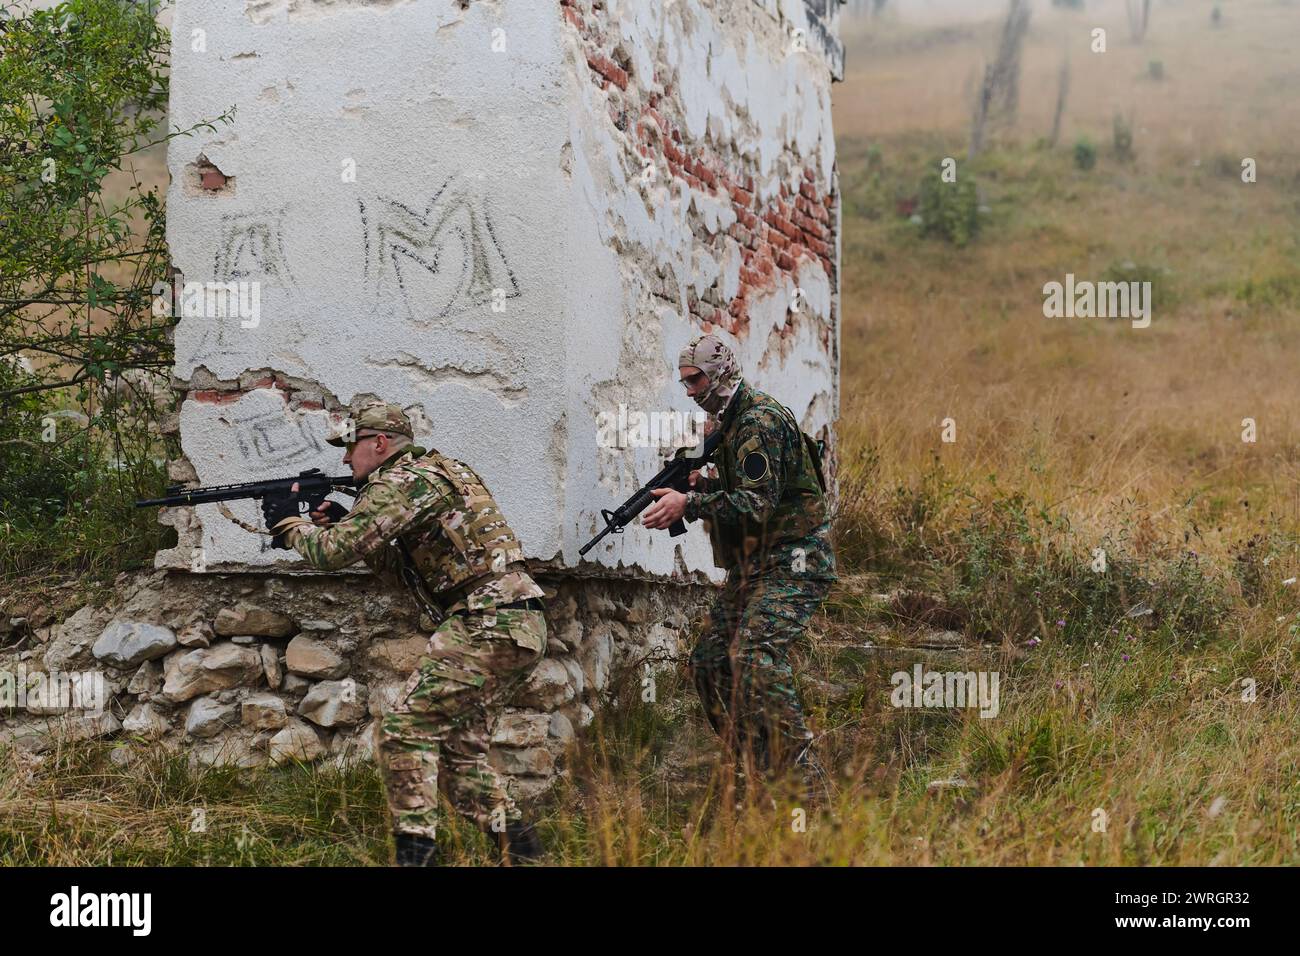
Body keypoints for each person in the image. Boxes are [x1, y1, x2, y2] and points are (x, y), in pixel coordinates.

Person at [262, 401, 548, 866]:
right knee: (460, 756)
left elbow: (332, 554)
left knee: (403, 728)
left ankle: (417, 858)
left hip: (487, 621)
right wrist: (345, 522)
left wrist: (289, 525)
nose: (344, 459)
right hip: (516, 622)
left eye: (351, 446)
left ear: (378, 443)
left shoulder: (400, 481)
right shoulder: (438, 471)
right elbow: (408, 575)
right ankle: (525, 855)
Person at [641, 335, 838, 786]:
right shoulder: (730, 424)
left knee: (755, 652)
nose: (690, 391)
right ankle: (761, 770)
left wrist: (688, 503)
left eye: (696, 380)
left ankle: (807, 784)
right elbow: (753, 495)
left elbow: (757, 505)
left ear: (721, 374)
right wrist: (704, 487)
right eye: (685, 382)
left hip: (795, 558)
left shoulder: (758, 422)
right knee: (710, 662)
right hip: (758, 563)